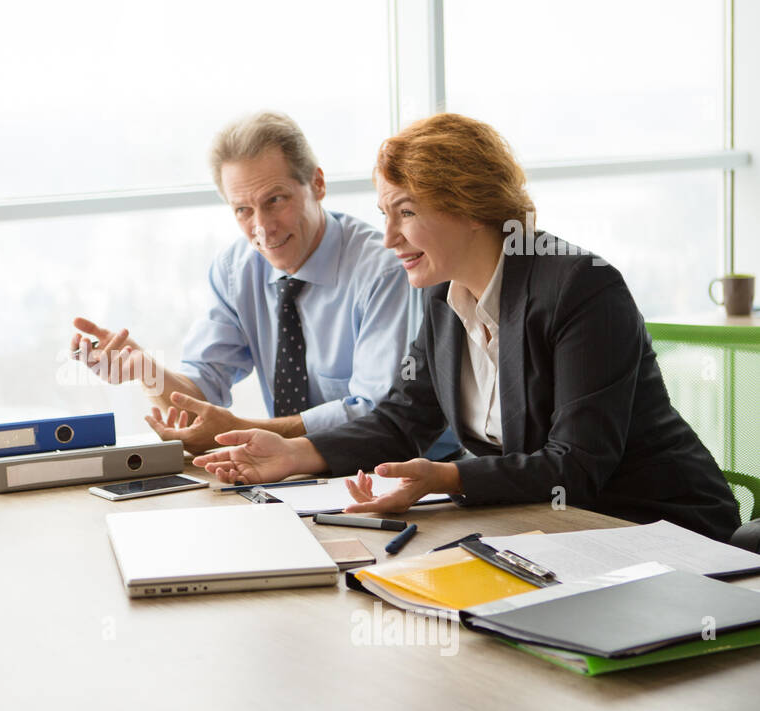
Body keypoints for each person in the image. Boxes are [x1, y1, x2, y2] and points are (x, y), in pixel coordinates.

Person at [195, 113, 739, 542]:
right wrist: (297, 455)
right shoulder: (442, 295)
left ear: (471, 206)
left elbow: (577, 464)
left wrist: (449, 478)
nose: (388, 237)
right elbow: (401, 419)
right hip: (552, 532)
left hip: (656, 527)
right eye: (385, 214)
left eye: (405, 213)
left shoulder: (579, 288)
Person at [71, 111, 457, 458]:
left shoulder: (384, 269)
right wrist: (146, 371)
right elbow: (199, 398)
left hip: (411, 471)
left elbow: (374, 414)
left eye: (275, 200)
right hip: (296, 475)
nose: (262, 228)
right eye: (243, 210)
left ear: (317, 184)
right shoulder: (235, 270)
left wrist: (243, 430)